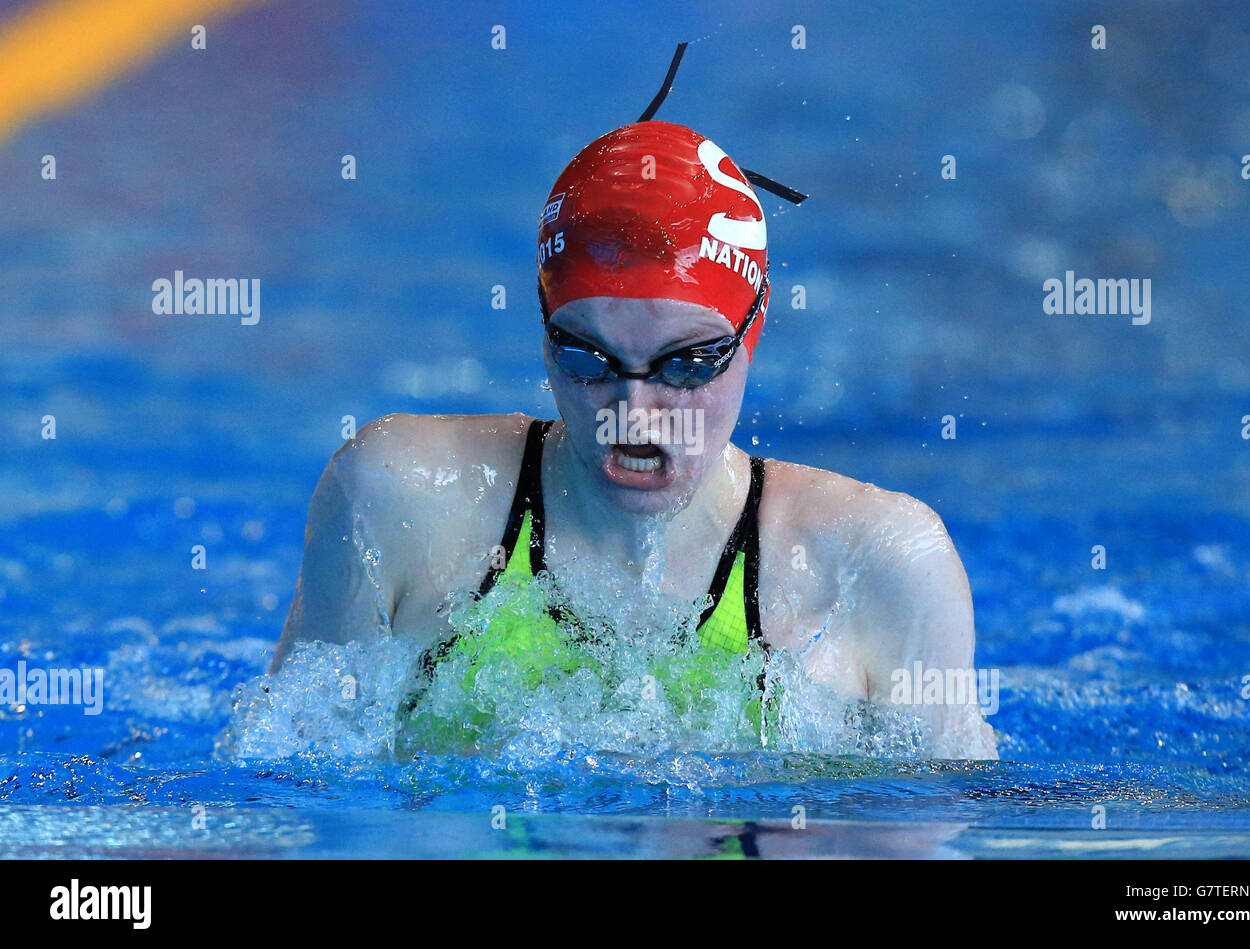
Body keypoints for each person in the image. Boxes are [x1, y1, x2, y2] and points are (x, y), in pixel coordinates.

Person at [271, 113, 997, 760]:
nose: (636, 413)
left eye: (688, 363)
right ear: (543, 323)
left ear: (755, 327)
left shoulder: (883, 567)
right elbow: (293, 791)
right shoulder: (396, 499)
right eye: (589, 357)